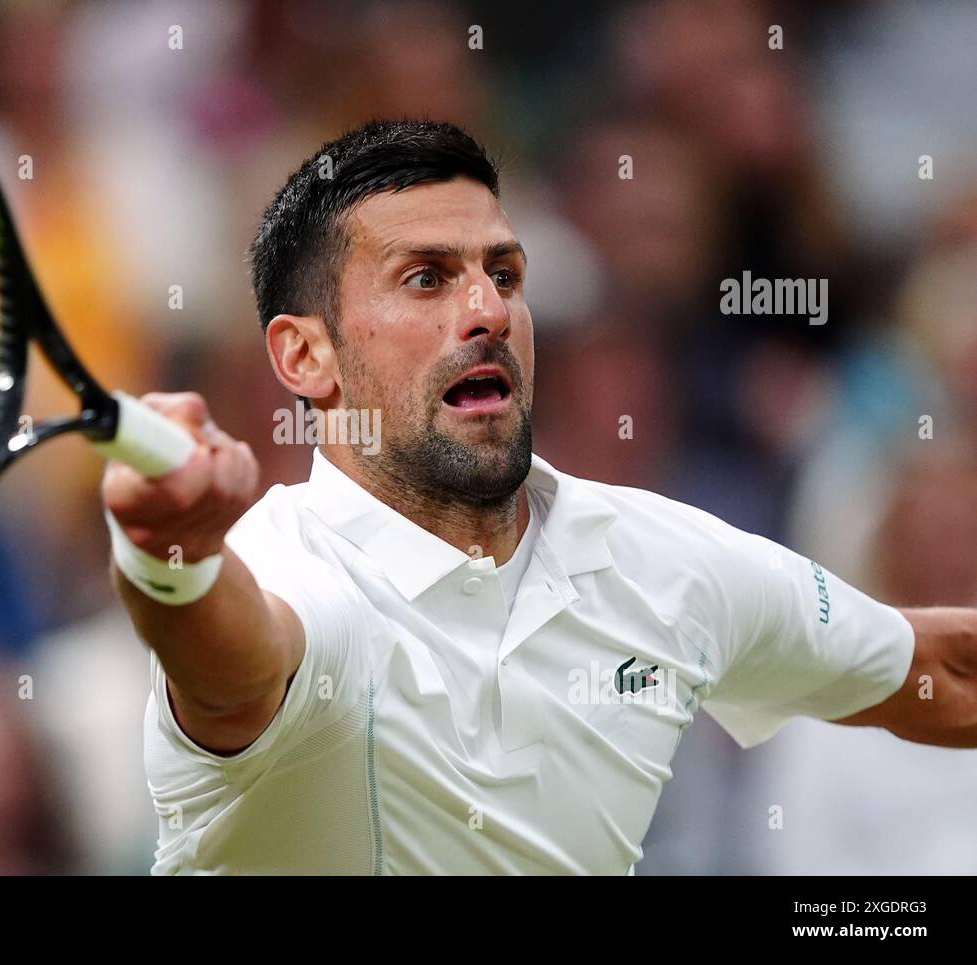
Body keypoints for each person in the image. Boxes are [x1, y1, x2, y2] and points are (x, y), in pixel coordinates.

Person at [100, 120, 977, 875]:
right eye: (427, 278)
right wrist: (167, 550)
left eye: (506, 274)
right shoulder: (290, 576)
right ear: (304, 356)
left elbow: (939, 672)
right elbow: (224, 665)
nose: (487, 309)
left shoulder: (668, 562)